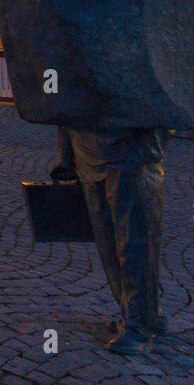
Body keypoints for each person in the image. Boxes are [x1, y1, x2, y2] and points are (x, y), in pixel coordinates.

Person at [56, 126, 170, 354]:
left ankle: (140, 323)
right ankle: (134, 313)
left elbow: (164, 107)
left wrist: (148, 151)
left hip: (130, 156)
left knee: (135, 243)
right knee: (108, 244)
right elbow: (65, 107)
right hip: (88, 158)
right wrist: (67, 158)